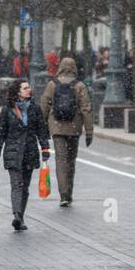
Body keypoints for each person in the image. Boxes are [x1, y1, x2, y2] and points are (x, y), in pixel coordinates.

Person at [0, 79, 52, 231]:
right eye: (25, 88)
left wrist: (45, 149)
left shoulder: (35, 109)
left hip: (30, 152)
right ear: (18, 92)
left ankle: (21, 216)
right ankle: (17, 216)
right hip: (13, 152)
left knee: (24, 187)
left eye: (29, 87)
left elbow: (42, 131)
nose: (29, 90)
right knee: (16, 185)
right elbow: (1, 132)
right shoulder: (8, 109)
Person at [40, 56, 93, 205]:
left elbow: (44, 105)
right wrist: (89, 131)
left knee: (61, 161)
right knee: (71, 160)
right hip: (74, 127)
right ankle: (69, 192)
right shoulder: (79, 85)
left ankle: (63, 195)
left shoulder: (52, 84)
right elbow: (86, 109)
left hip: (57, 127)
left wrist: (43, 125)